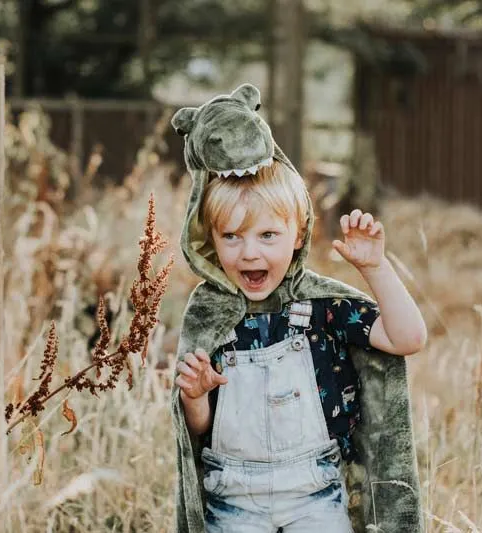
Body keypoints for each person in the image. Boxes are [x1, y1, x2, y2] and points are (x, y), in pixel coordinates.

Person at [170, 84, 425, 533]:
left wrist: (376, 267)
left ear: (299, 231)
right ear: (208, 239)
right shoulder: (208, 317)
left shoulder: (322, 308)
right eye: (231, 236)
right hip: (233, 500)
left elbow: (408, 338)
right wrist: (195, 396)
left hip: (315, 495)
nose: (250, 253)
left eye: (268, 236)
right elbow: (198, 432)